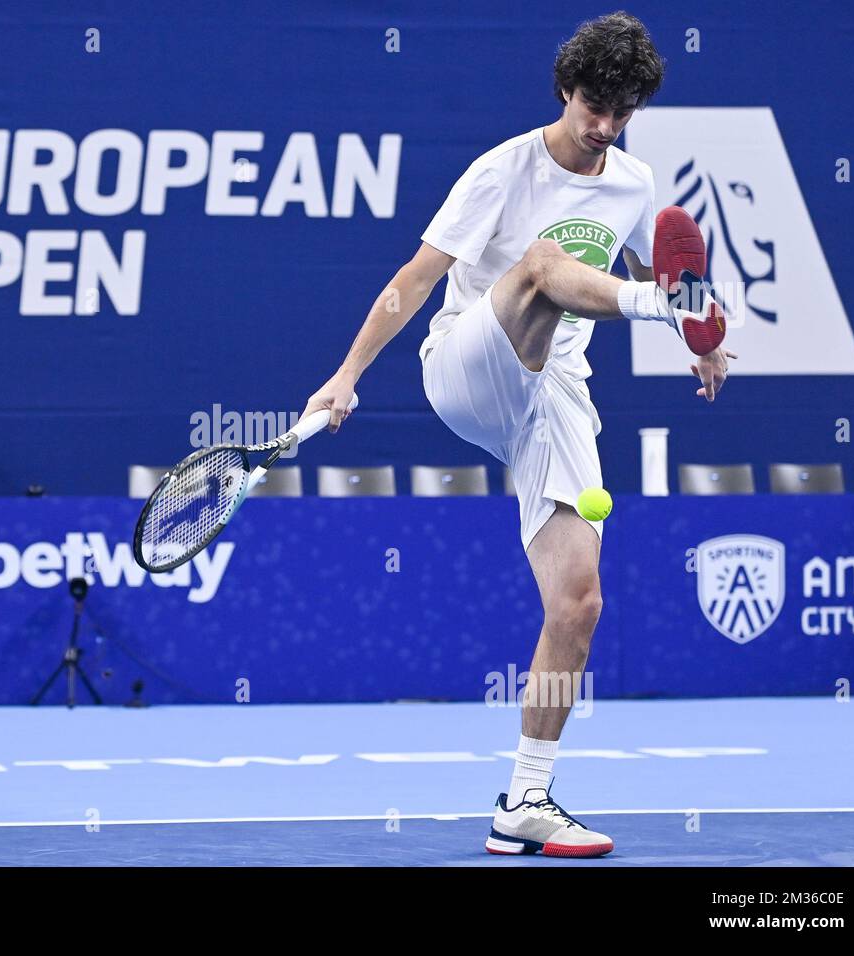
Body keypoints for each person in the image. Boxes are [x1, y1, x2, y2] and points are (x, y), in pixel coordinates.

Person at [298, 11, 735, 857]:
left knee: (578, 600)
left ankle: (525, 801)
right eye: (591, 106)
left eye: (620, 113)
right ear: (564, 89)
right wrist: (346, 374)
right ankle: (679, 310)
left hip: (555, 389)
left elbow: (645, 264)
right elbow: (412, 282)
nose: (603, 127)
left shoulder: (633, 184)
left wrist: (697, 343)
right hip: (467, 364)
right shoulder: (500, 170)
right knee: (537, 264)